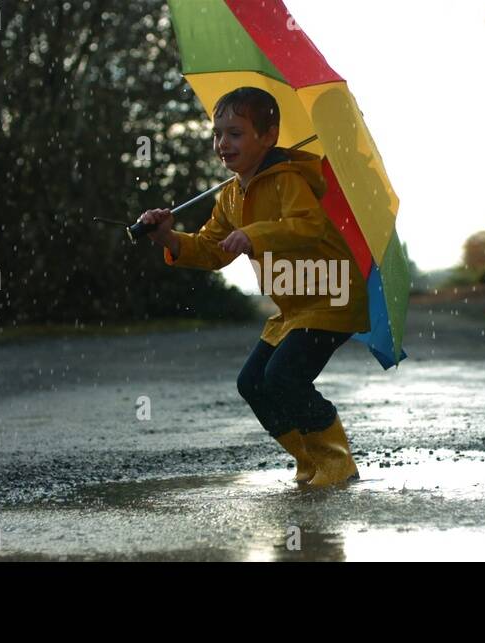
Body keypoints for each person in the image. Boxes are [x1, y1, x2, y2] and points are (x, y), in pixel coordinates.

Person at [138, 87, 369, 487]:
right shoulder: (231, 195)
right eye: (218, 133)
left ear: (269, 136)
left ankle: (337, 462)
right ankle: (309, 458)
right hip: (294, 310)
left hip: (331, 297)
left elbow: (308, 227)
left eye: (236, 133)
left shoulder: (288, 180)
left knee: (284, 377)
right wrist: (169, 239)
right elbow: (211, 249)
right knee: (252, 383)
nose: (223, 144)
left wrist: (254, 234)